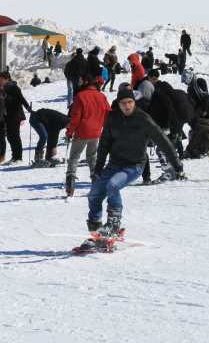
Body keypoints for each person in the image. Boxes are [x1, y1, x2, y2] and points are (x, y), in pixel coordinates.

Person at [75, 88, 182, 252]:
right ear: (118, 104)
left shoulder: (143, 119)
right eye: (123, 103)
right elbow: (104, 145)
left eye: (130, 102)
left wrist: (176, 164)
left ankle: (113, 224)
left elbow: (162, 140)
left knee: (112, 185)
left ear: (134, 103)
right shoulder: (112, 118)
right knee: (94, 194)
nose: (127, 106)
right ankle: (97, 233)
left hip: (134, 166)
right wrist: (97, 169)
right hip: (114, 164)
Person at [64, 73, 109, 197]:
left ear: (85, 82)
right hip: (96, 132)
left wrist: (69, 132)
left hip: (82, 132)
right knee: (92, 156)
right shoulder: (101, 96)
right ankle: (96, 181)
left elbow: (75, 117)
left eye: (81, 80)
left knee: (74, 157)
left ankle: (70, 184)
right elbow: (107, 114)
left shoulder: (80, 96)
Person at [0, 71, 32, 163]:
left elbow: (21, 98)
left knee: (15, 136)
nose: (0, 81)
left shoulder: (13, 87)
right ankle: (14, 156)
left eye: (2, 79)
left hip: (15, 114)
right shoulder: (3, 88)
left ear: (6, 79)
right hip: (7, 115)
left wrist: (28, 108)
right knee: (10, 136)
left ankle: (19, 157)